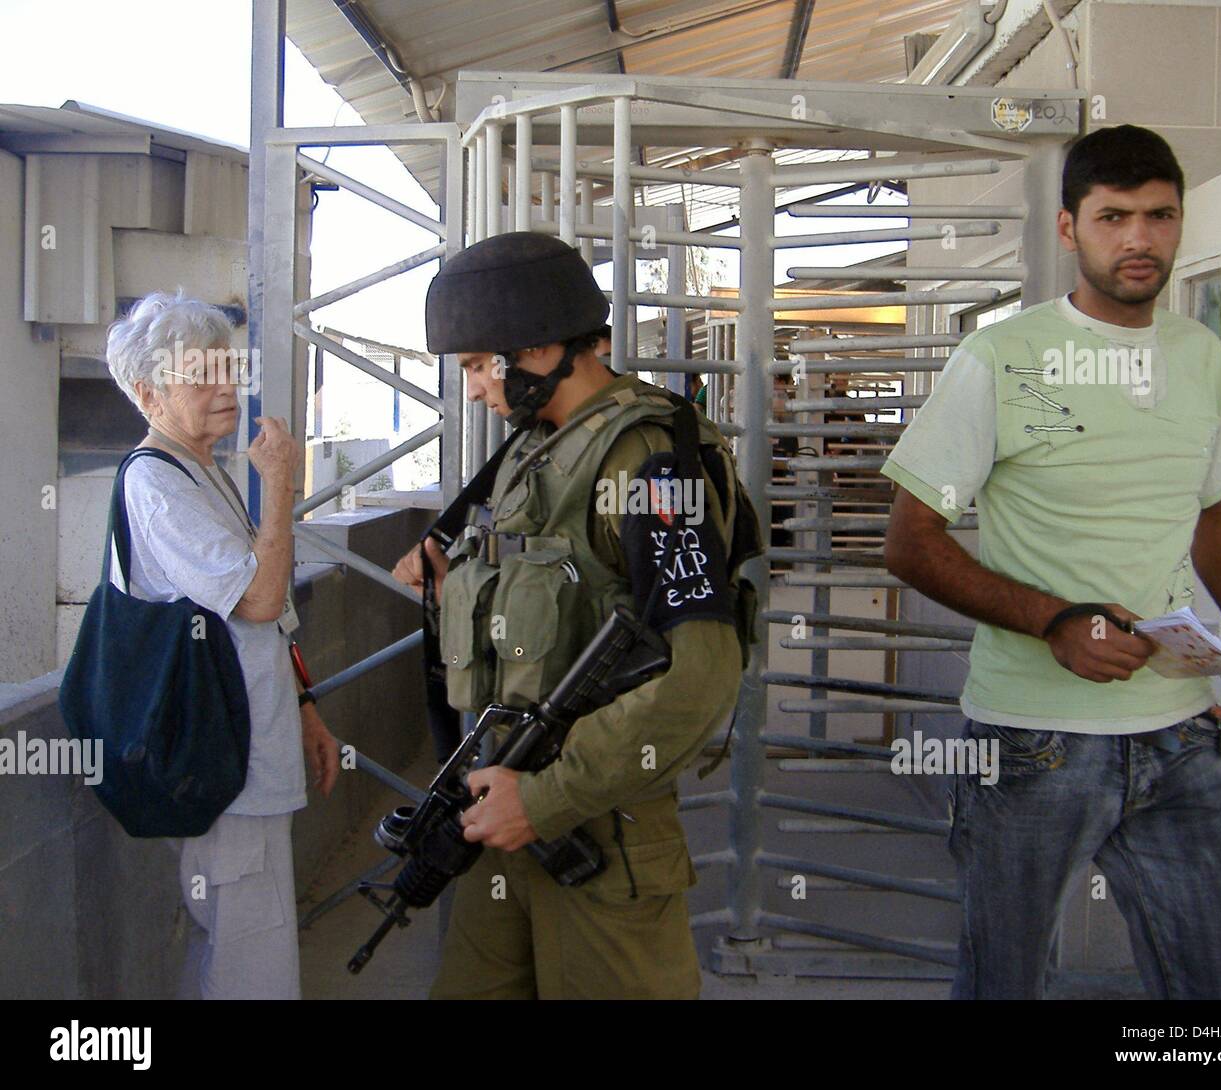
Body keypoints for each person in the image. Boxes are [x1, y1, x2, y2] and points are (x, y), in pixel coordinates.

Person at [880, 126, 1221, 1000]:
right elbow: (910, 541)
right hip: (1032, 742)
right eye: (1114, 218)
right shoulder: (998, 357)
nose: (1140, 239)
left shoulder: (1201, 358)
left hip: (1180, 732)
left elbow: (1210, 510)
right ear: (1069, 230)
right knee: (1002, 984)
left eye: (1160, 216)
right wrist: (1055, 623)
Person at [391, 232, 760, 999]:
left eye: (474, 366)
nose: (473, 389)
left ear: (535, 346)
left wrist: (545, 799)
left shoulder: (649, 463)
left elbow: (700, 672)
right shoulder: (542, 448)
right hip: (503, 811)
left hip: (597, 831)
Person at [104, 290, 340, 999]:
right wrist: (279, 486)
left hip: (246, 747)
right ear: (149, 393)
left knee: (235, 941)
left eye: (226, 367)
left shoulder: (200, 469)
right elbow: (263, 597)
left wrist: (304, 708)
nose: (224, 388)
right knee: (253, 956)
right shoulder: (156, 482)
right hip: (222, 760)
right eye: (198, 375)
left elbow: (261, 617)